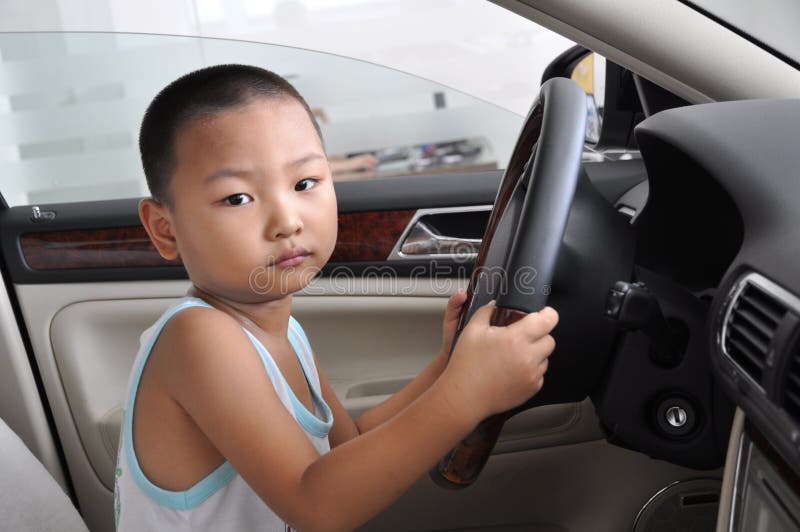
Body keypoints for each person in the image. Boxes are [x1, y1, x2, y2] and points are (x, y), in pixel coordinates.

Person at [115, 64, 558, 532]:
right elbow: (316, 504)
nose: (286, 220)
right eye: (237, 198)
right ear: (165, 230)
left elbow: (347, 449)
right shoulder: (197, 337)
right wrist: (467, 392)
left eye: (304, 184)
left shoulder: (282, 331)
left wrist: (447, 367)